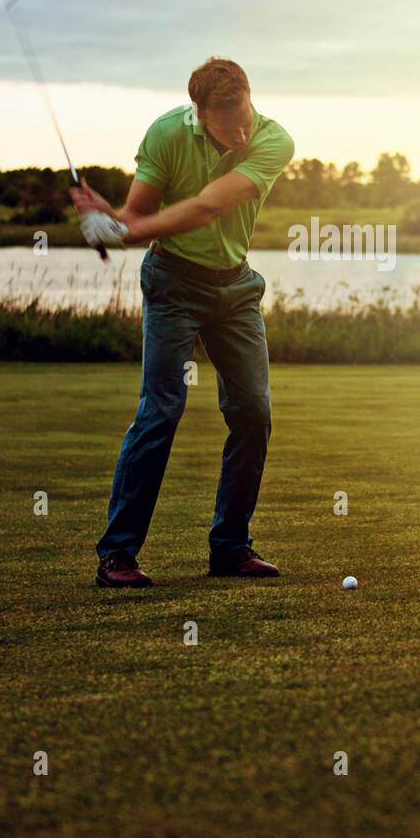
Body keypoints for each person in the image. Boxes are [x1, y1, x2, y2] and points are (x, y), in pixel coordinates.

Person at [71, 57, 294, 587]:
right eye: (228, 124)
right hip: (172, 283)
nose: (241, 131)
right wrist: (110, 218)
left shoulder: (273, 139)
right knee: (162, 409)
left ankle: (231, 549)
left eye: (244, 116)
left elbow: (206, 207)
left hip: (236, 288)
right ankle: (118, 555)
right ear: (199, 113)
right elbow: (140, 212)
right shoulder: (167, 134)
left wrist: (122, 232)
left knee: (253, 412)